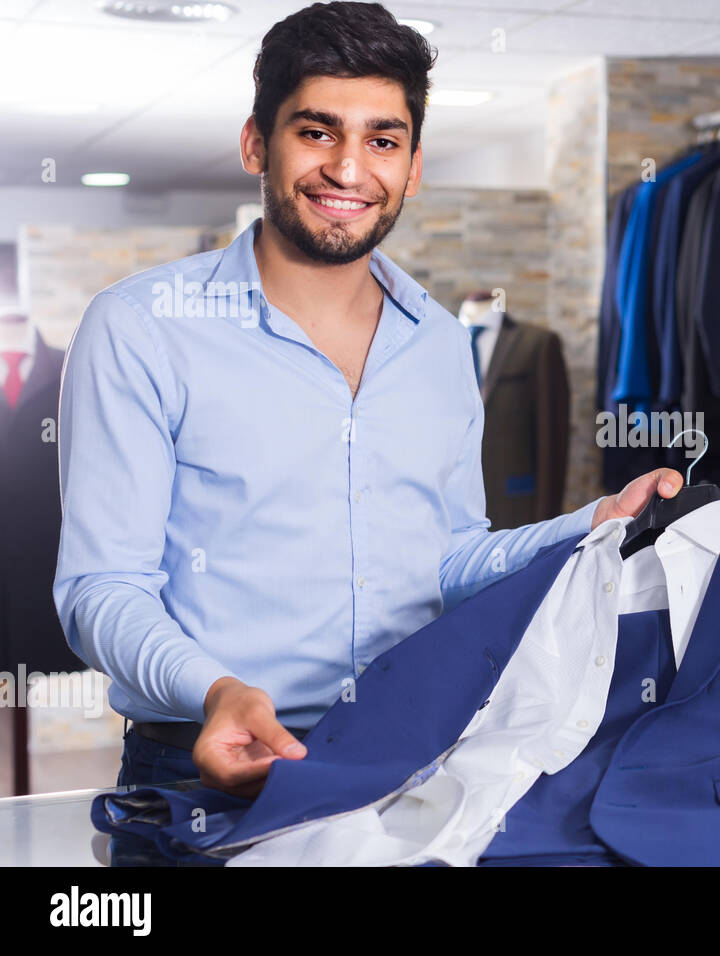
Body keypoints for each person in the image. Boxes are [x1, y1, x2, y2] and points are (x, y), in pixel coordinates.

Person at [51, 1, 681, 864]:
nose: (349, 167)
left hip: (410, 755)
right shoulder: (141, 327)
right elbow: (102, 588)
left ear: (414, 166)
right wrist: (217, 689)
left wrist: (592, 523)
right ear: (256, 145)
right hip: (204, 765)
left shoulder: (436, 345)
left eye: (382, 140)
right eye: (317, 131)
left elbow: (450, 557)